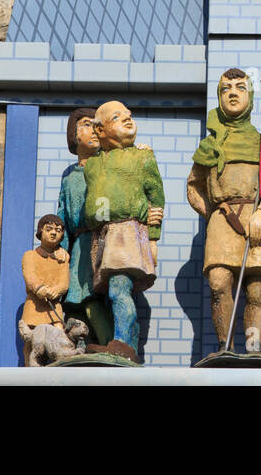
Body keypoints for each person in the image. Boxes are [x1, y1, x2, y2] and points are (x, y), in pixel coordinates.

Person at [187, 69, 261, 354]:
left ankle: (254, 348)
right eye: (225, 89)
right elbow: (193, 187)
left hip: (255, 220)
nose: (232, 93)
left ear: (250, 96)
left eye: (240, 87)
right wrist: (214, 214)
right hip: (222, 222)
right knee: (219, 282)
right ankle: (225, 347)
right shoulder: (209, 146)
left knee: (256, 289)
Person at [82, 100, 165, 363]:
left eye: (130, 115)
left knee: (119, 288)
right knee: (111, 292)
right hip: (103, 235)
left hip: (129, 231)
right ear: (100, 130)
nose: (128, 120)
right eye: (118, 118)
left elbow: (156, 197)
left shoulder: (142, 156)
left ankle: (123, 344)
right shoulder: (93, 165)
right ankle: (124, 342)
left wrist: (153, 236)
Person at [56, 107, 113, 348]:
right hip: (78, 245)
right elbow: (62, 212)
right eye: (87, 125)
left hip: (100, 240)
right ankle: (80, 347)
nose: (93, 131)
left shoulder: (107, 168)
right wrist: (60, 248)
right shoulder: (69, 176)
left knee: (93, 299)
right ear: (74, 133)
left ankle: (110, 344)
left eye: (97, 126)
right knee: (73, 302)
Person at [19, 214, 75, 366]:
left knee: (58, 337)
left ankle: (58, 367)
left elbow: (64, 282)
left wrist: (57, 291)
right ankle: (29, 368)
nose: (53, 233)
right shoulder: (30, 256)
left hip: (53, 307)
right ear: (40, 232)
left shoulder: (62, 258)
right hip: (34, 307)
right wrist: (39, 288)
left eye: (58, 230)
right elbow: (29, 276)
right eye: (49, 229)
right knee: (30, 340)